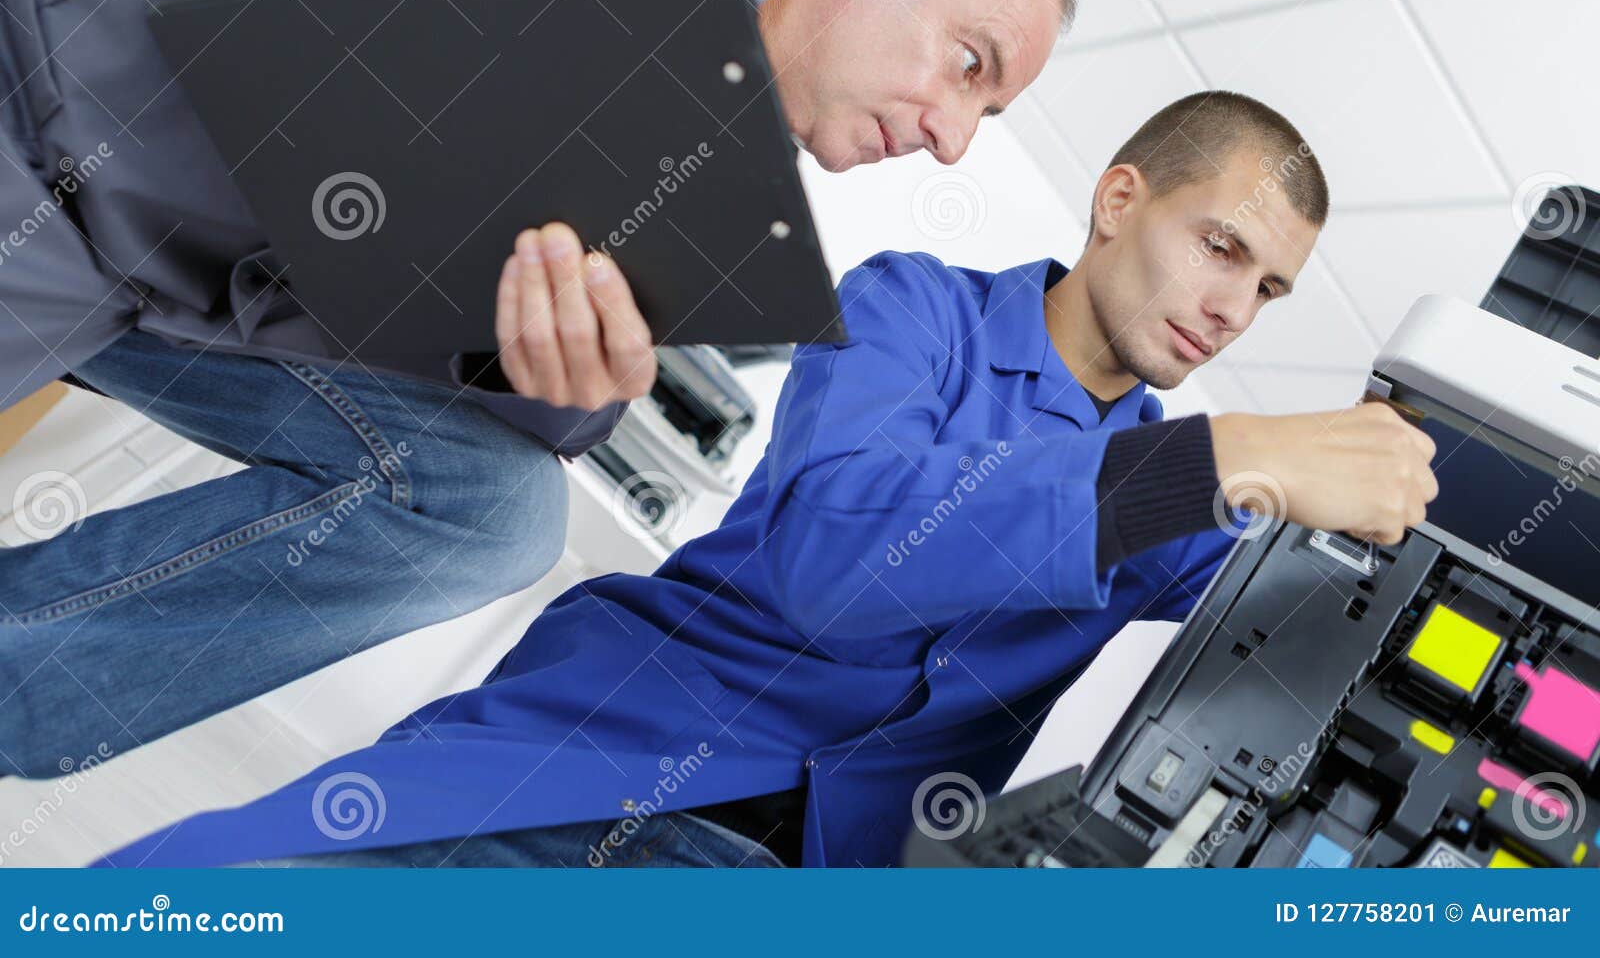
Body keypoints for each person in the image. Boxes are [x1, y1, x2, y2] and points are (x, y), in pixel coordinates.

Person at [0, 0, 1074, 777]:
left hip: (130, 271)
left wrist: (561, 378)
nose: (948, 136)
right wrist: (460, 115)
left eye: (983, 118)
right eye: (968, 66)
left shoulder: (709, 162)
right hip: (38, 57)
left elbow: (436, 308)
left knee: (492, 510)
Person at [100, 91, 1438, 870]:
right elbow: (841, 555)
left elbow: (1324, 644)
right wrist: (1222, 458)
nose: (1232, 309)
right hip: (592, 770)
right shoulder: (913, 311)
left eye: (1265, 289)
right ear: (1118, 198)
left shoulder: (1197, 512)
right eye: (1219, 247)